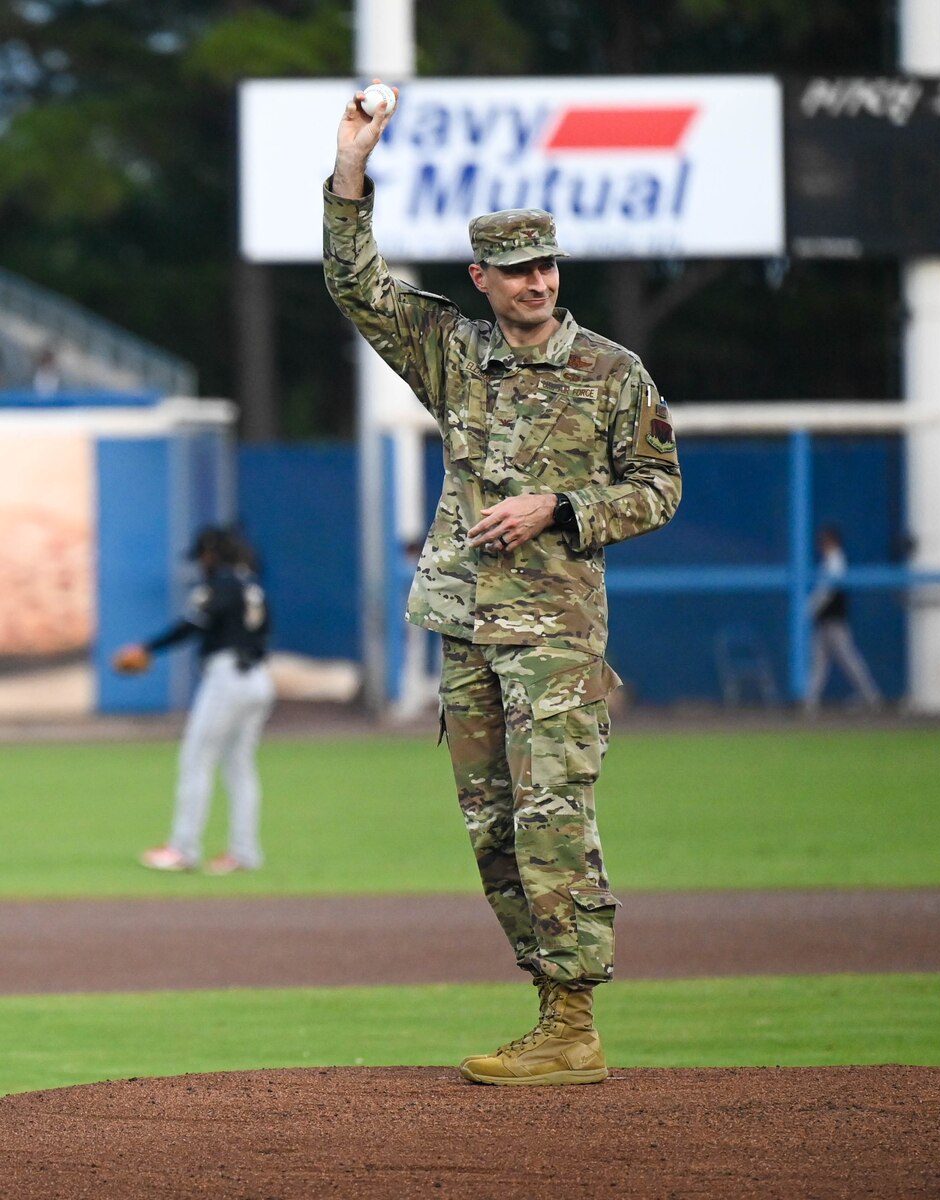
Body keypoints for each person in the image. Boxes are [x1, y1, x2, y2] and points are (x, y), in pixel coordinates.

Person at [323, 83, 682, 1086]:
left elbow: (659, 488)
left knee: (551, 819)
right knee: (492, 833)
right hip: (466, 625)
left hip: (556, 637)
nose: (538, 282)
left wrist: (558, 506)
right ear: (481, 277)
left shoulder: (612, 372)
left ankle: (574, 1020)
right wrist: (352, 164)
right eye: (518, 269)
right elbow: (356, 286)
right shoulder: (452, 352)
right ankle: (549, 1009)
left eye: (548, 265)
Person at [112, 526, 276, 874]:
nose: (201, 563)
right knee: (239, 767)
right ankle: (245, 853)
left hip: (228, 677)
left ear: (211, 554)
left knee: (196, 759)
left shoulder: (221, 584)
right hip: (259, 678)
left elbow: (194, 624)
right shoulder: (252, 587)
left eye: (202, 556)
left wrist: (148, 648)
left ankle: (183, 849)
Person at [805, 524, 883, 713]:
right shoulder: (828, 562)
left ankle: (871, 696)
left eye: (824, 541)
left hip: (834, 620)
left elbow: (827, 591)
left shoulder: (836, 561)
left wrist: (810, 607)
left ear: (833, 542)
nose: (820, 545)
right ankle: (809, 701)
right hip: (825, 619)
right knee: (819, 661)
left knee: (848, 659)